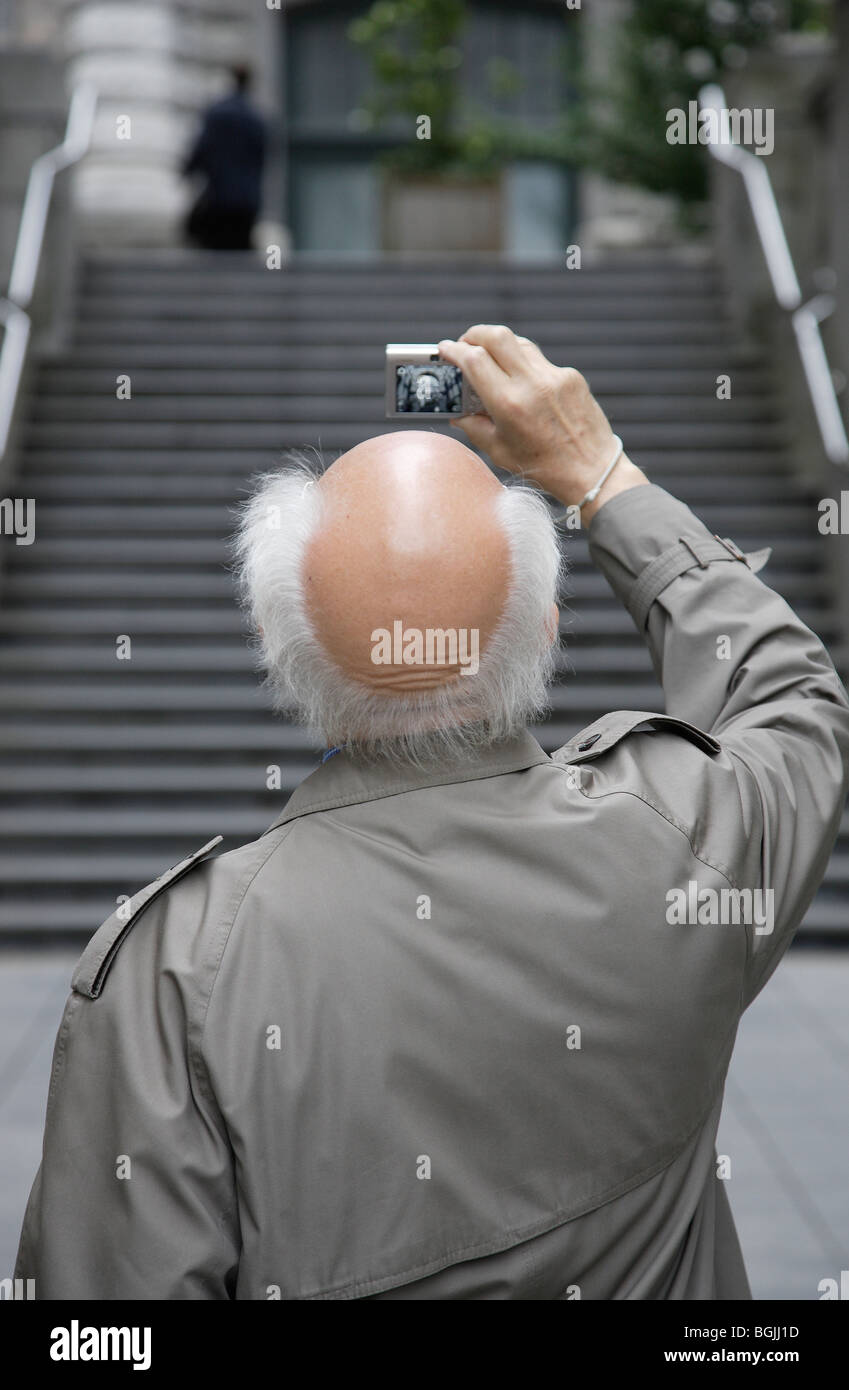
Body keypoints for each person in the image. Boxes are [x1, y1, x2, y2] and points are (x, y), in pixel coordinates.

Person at [15, 325, 849, 1299]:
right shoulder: (685, 842)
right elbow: (791, 697)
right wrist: (599, 471)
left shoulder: (177, 971)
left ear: (279, 652)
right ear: (545, 625)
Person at [182, 63, 266, 251]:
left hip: (218, 198)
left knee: (213, 247)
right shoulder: (256, 118)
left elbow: (201, 149)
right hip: (246, 201)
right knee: (238, 250)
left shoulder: (216, 114)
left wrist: (187, 171)